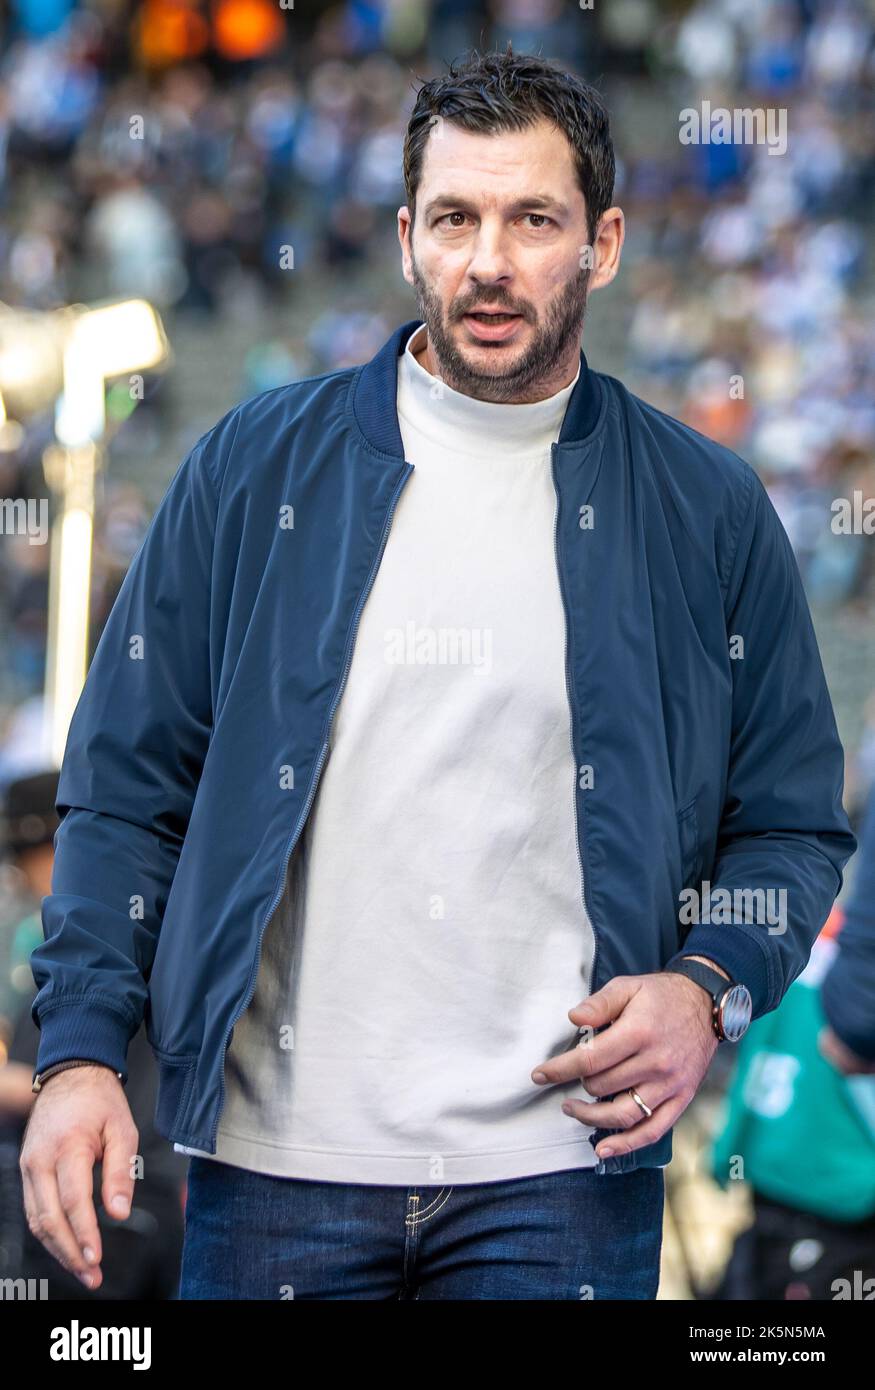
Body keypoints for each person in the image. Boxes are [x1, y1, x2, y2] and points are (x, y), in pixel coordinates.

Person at [21, 47, 856, 1301]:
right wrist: (80, 1055)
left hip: (563, 1180)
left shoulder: (707, 508)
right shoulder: (251, 471)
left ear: (605, 244)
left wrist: (706, 989)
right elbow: (126, 785)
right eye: (456, 218)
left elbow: (788, 825)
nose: (488, 261)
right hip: (272, 1172)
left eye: (533, 220)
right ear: (408, 235)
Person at [0, 771, 187, 1299]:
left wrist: (20, 1086)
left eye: (28, 856)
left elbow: (76, 1077)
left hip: (108, 1193)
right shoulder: (72, 942)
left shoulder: (101, 948)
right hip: (117, 1187)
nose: (25, 875)